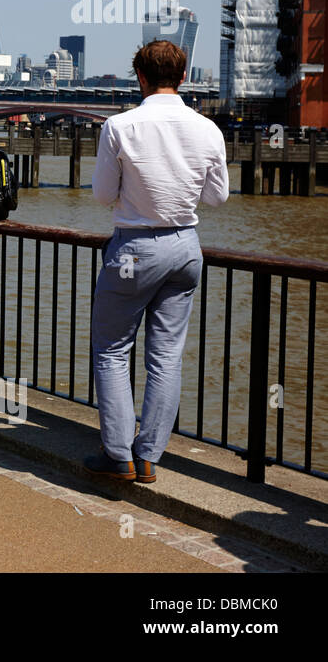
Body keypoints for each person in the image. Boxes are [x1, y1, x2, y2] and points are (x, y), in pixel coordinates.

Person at [84, 40, 229, 483]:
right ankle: (148, 457)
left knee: (112, 350)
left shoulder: (120, 126)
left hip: (134, 250)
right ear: (183, 78)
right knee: (166, 357)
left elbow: (104, 195)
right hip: (185, 248)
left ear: (140, 78)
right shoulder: (208, 129)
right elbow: (217, 197)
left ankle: (118, 456)